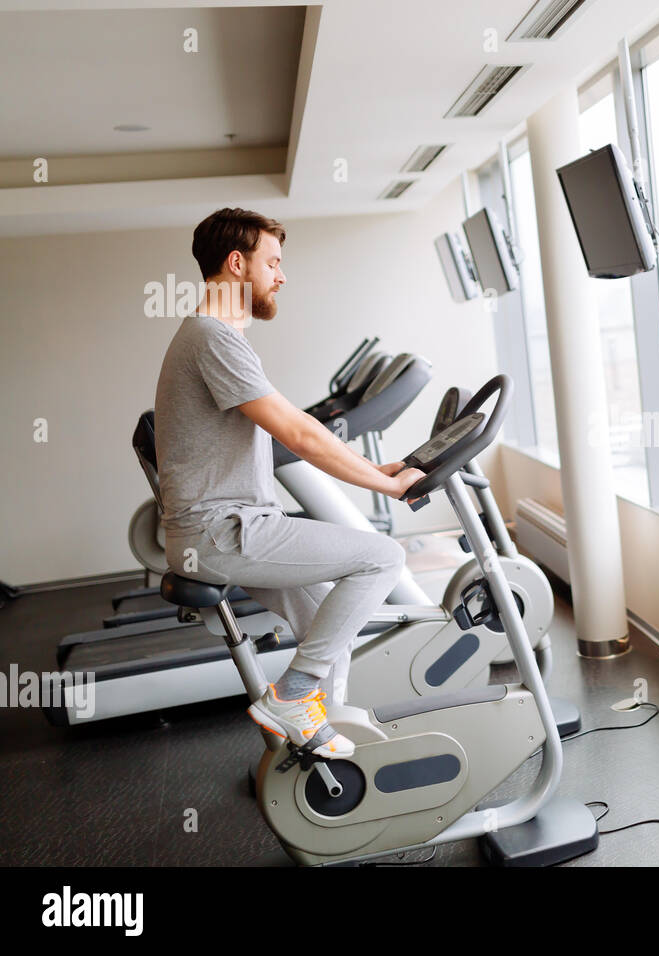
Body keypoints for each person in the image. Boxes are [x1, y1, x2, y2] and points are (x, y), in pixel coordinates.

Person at [155, 207, 424, 758]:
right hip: (224, 532)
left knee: (332, 621)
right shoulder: (212, 337)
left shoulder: (213, 336)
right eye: (272, 262)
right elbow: (299, 434)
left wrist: (378, 469)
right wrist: (387, 487)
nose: (281, 276)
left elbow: (293, 427)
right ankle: (293, 696)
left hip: (228, 529)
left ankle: (313, 743)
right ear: (237, 263)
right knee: (382, 556)